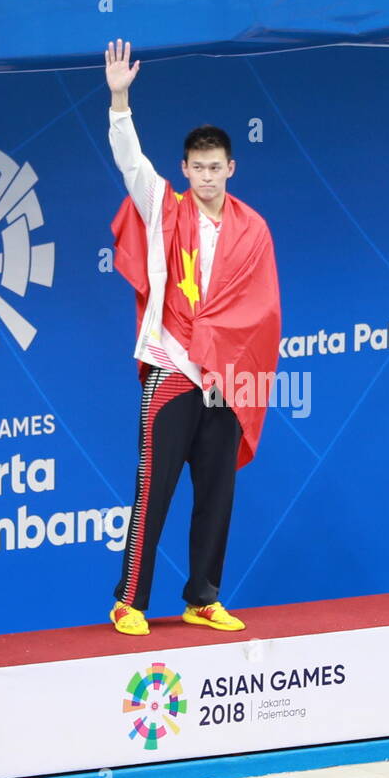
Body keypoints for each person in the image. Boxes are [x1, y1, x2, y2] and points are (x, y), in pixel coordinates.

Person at [102, 39, 281, 636]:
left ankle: (203, 596)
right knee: (152, 490)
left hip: (224, 379)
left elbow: (263, 311)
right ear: (185, 169)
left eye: (216, 167)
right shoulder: (164, 210)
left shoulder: (253, 230)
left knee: (217, 494)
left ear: (232, 168)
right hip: (172, 366)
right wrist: (120, 99)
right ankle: (130, 602)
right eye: (197, 167)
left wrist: (235, 367)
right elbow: (129, 159)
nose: (206, 176)